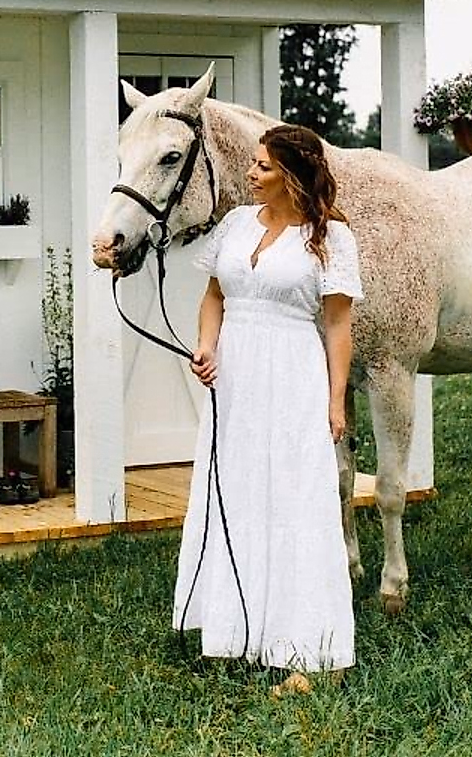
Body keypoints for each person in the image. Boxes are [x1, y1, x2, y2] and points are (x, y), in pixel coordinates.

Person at [172, 123, 362, 689]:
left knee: (294, 497)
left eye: (263, 167)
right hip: (234, 378)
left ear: (293, 176)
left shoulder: (329, 239)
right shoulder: (234, 225)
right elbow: (214, 298)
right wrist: (206, 348)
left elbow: (338, 323)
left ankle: (308, 648)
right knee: (234, 488)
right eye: (253, 165)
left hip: (293, 372)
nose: (251, 175)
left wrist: (334, 400)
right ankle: (234, 626)